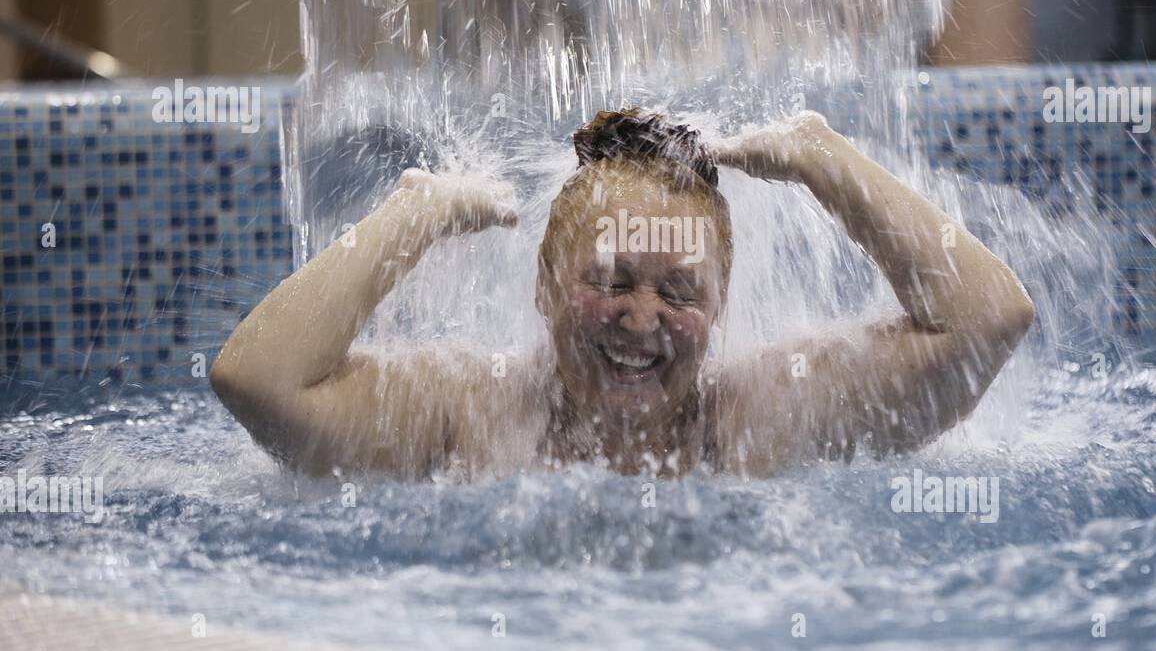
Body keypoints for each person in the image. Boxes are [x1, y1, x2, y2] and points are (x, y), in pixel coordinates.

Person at [210, 108, 1035, 480]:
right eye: (608, 281)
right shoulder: (465, 412)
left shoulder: (757, 417)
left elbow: (990, 318)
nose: (642, 320)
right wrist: (413, 214)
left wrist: (825, 159)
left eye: (680, 289)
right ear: (543, 285)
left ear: (721, 301)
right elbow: (256, 378)